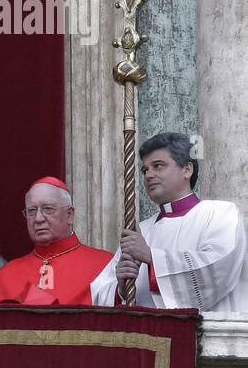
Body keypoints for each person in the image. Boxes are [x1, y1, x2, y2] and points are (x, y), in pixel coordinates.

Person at [91, 132, 248, 311]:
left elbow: (218, 267)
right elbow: (100, 292)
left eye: (158, 166)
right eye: (145, 170)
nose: (149, 175)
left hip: (203, 335)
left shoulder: (220, 214)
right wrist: (120, 289)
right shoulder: (141, 230)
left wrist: (151, 258)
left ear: (187, 170)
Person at [0, 176, 111, 305]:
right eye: (31, 211)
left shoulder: (105, 265)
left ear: (69, 215)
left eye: (48, 209)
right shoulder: (7, 274)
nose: (38, 219)